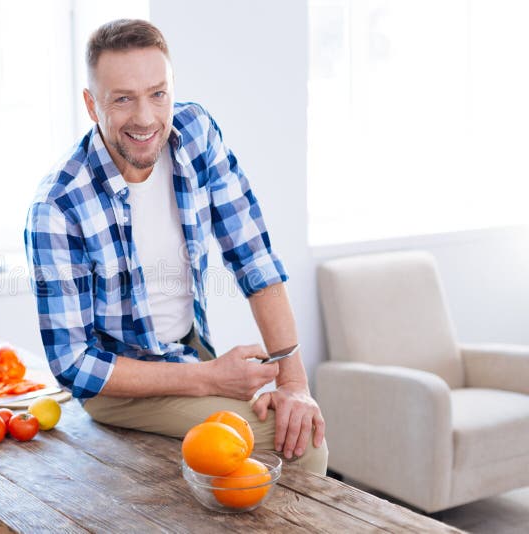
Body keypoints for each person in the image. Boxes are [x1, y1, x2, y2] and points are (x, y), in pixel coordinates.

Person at [24, 19, 328, 475]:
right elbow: (73, 364)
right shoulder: (57, 207)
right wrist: (207, 378)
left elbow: (254, 257)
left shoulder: (196, 134)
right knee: (301, 448)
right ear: (92, 104)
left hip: (189, 350)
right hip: (120, 389)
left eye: (158, 93)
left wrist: (295, 381)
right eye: (123, 98)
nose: (146, 118)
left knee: (298, 421)